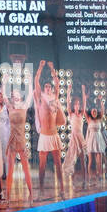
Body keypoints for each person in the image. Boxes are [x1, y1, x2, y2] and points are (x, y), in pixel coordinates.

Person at [32, 61, 66, 197]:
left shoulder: (54, 98)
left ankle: (62, 189)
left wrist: (52, 68)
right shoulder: (40, 98)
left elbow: (57, 83)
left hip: (54, 135)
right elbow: (36, 81)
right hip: (45, 135)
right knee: (42, 165)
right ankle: (40, 189)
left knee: (58, 164)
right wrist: (40, 67)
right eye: (45, 86)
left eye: (48, 86)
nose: (47, 88)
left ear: (51, 88)